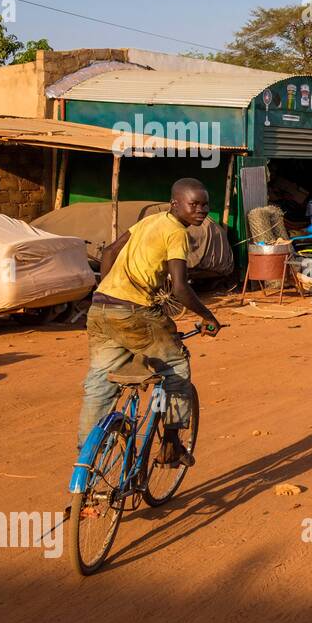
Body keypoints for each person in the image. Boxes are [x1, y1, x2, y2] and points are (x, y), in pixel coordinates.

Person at [77, 178, 220, 466]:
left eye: (205, 205)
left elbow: (109, 253)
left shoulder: (149, 221)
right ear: (175, 203)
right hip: (134, 313)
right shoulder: (177, 233)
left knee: (100, 383)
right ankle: (170, 444)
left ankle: (86, 458)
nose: (201, 210)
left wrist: (110, 291)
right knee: (176, 366)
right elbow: (180, 287)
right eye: (194, 204)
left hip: (100, 308)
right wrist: (208, 316)